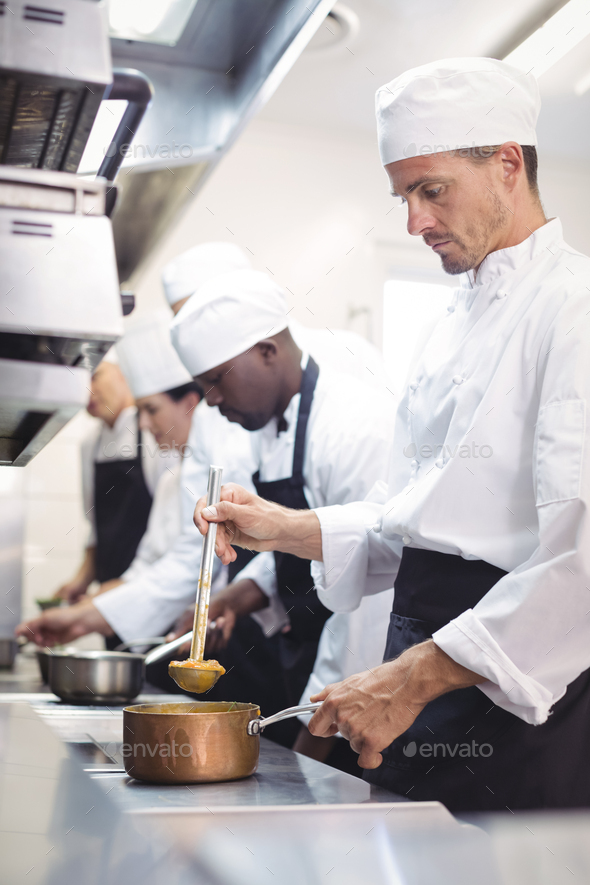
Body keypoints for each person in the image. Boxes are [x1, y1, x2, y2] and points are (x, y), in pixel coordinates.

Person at [193, 57, 590, 812]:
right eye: (403, 195)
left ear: (509, 164)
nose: (414, 222)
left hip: (517, 692)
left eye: (430, 190)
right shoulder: (449, 326)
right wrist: (282, 528)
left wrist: (413, 675)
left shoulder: (576, 310)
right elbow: (408, 521)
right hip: (423, 674)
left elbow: (583, 559)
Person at [168, 269, 395, 752]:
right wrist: (236, 598)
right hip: (309, 660)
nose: (210, 402)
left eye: (215, 382)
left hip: (362, 692)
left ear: (268, 351)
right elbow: (304, 543)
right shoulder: (273, 432)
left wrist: (318, 728)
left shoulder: (354, 427)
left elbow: (373, 588)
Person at [18, 315, 201, 646]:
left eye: (97, 376)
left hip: (165, 611)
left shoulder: (173, 451)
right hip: (126, 598)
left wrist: (91, 611)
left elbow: (184, 565)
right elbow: (135, 551)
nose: (145, 423)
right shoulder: (92, 445)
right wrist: (89, 602)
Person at [53, 355, 167, 607]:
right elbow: (97, 528)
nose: (87, 391)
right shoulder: (89, 445)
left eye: (95, 376)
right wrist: (81, 581)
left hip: (152, 591)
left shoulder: (155, 435)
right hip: (106, 596)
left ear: (124, 373)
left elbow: (168, 528)